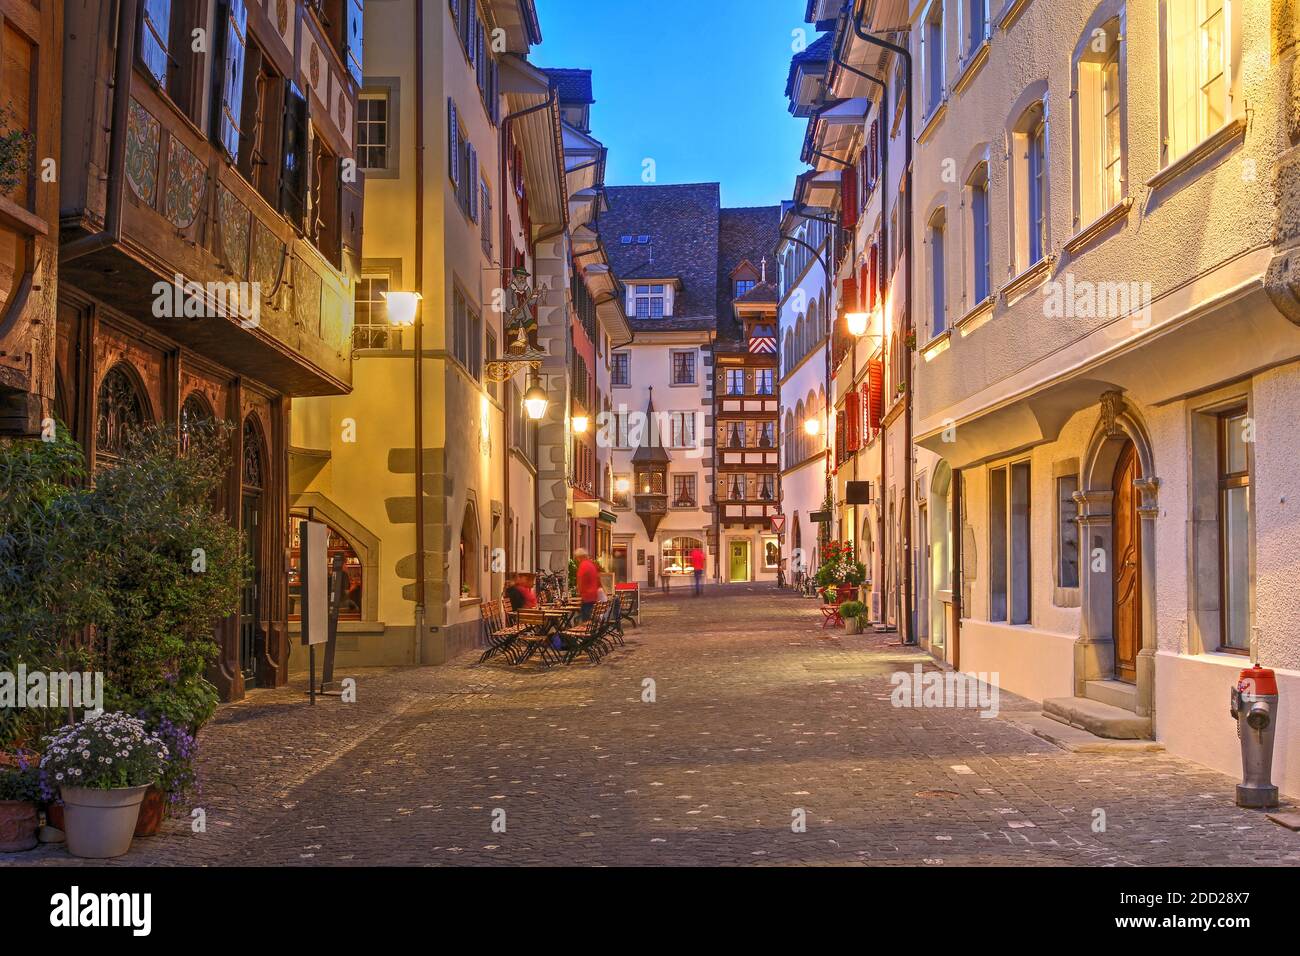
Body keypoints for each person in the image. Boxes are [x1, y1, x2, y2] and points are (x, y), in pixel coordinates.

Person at [574, 547, 601, 621]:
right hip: (593, 595)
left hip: (586, 596)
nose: (577, 560)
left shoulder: (583, 565)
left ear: (580, 557)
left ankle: (587, 631)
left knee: (586, 620)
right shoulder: (591, 564)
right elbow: (598, 579)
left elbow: (580, 581)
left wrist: (578, 592)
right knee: (590, 619)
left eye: (577, 558)